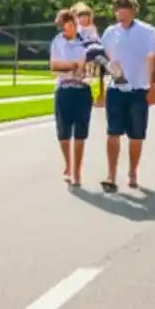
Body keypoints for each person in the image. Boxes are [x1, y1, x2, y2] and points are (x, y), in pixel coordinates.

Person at [96, 0, 155, 192]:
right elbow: (102, 59)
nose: (120, 13)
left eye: (124, 8)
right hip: (116, 88)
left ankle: (133, 172)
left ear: (133, 10)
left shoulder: (147, 31)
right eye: (117, 9)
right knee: (113, 133)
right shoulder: (110, 32)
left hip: (138, 89)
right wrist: (101, 90)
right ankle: (111, 175)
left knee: (136, 136)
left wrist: (154, 87)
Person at [49, 9, 93, 187]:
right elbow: (54, 67)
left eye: (70, 23)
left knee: (80, 134)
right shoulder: (57, 42)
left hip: (82, 90)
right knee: (63, 134)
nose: (68, 27)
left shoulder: (86, 42)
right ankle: (68, 163)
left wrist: (68, 67)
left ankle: (76, 172)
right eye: (64, 24)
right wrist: (74, 65)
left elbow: (89, 69)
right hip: (64, 89)